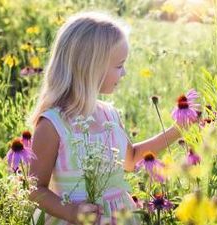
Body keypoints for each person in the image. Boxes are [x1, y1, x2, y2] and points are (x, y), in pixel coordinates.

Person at [28, 11, 181, 225]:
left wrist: (178, 130)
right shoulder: (53, 124)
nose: (124, 73)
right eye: (119, 66)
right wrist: (72, 212)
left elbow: (131, 159)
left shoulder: (109, 114)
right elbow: (35, 189)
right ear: (90, 68)